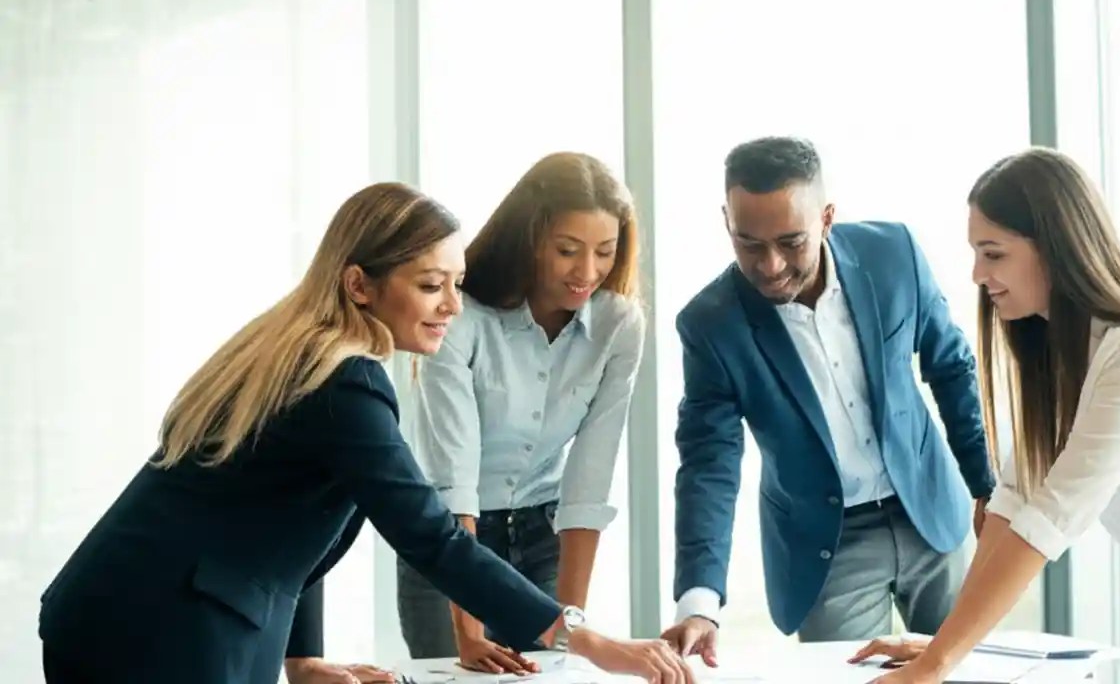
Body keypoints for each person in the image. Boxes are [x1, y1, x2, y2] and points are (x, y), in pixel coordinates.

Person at [37, 183, 692, 684]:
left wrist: (302, 659)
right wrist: (594, 642)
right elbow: (431, 538)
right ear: (359, 285)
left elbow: (301, 517)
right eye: (432, 285)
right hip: (161, 630)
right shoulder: (344, 382)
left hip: (115, 610)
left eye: (458, 284)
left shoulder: (302, 354)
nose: (453, 306)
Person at [849, 147, 1120, 683]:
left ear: (1055, 247)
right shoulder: (1060, 356)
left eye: (994, 253)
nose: (978, 273)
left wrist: (939, 663)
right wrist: (945, 645)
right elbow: (1013, 502)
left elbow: (1053, 518)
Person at [661, 136, 995, 664]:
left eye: (791, 241)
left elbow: (950, 368)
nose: (770, 265)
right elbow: (708, 464)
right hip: (828, 544)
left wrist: (987, 487)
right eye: (748, 243)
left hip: (930, 513)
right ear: (727, 220)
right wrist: (699, 601)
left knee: (966, 671)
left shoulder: (893, 254)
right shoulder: (711, 325)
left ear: (827, 217)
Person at [397, 152, 645, 674]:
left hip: (543, 535)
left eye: (605, 252)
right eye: (567, 251)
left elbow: (587, 483)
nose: (588, 272)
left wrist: (570, 629)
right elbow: (454, 481)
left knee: (557, 674)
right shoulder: (460, 317)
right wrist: (469, 631)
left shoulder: (619, 326)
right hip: (449, 542)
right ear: (530, 239)